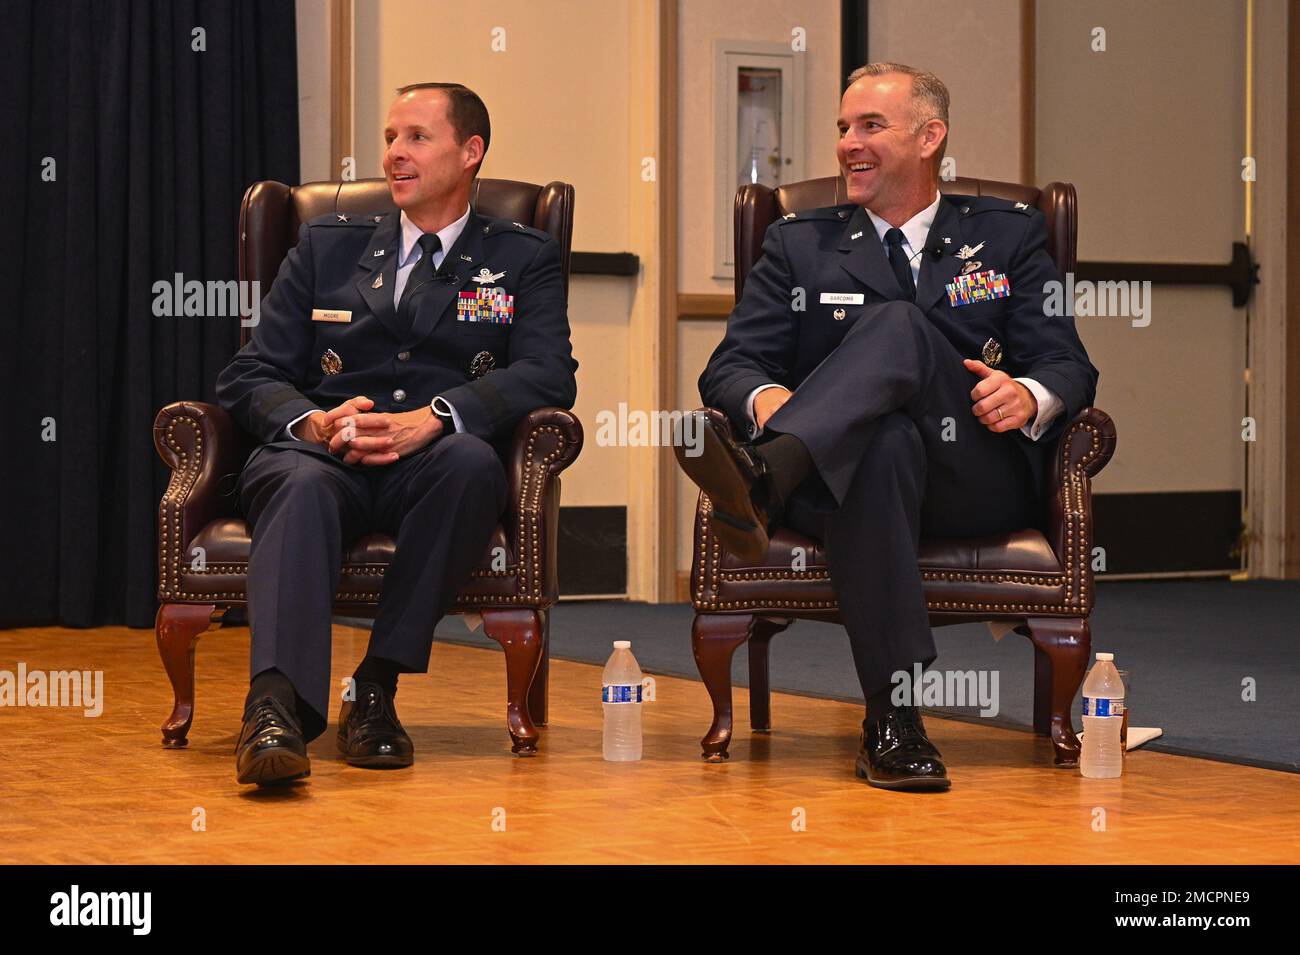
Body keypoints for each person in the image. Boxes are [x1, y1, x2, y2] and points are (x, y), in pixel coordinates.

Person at [677, 63, 1097, 792]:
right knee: (882, 444)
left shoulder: (1009, 238)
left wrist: (1029, 394)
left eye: (869, 125)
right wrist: (769, 395)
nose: (847, 143)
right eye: (843, 127)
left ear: (929, 137)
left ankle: (768, 474)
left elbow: (1068, 362)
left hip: (973, 472)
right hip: (847, 480)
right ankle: (893, 722)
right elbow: (731, 367)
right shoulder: (797, 243)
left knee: (899, 324)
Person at [216, 82, 577, 786]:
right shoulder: (326, 245)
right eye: (389, 138)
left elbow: (548, 374)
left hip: (431, 463)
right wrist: (313, 421)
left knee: (472, 465)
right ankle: (273, 706)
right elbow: (249, 372)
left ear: (470, 152)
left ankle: (375, 687)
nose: (394, 155)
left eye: (416, 137)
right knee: (295, 482)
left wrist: (437, 418)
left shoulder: (521, 256)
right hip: (325, 456)